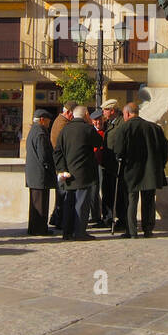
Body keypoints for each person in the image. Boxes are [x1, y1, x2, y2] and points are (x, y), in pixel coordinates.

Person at [108, 102, 168, 238]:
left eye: (124, 114)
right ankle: (148, 229)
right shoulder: (154, 128)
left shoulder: (124, 129)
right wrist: (160, 165)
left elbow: (118, 150)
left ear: (128, 113)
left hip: (131, 170)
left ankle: (131, 231)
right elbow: (165, 149)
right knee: (149, 200)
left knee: (131, 200)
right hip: (150, 171)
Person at [54, 105, 103, 241]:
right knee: (82, 204)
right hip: (83, 174)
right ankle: (80, 232)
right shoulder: (87, 129)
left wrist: (62, 169)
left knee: (69, 204)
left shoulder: (65, 130)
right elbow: (98, 142)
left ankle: (67, 232)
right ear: (86, 114)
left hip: (68, 174)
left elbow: (58, 152)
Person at [24, 108, 56, 236]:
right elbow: (44, 155)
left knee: (35, 204)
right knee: (41, 204)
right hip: (40, 174)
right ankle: (39, 229)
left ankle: (34, 228)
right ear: (42, 120)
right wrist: (50, 167)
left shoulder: (33, 131)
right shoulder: (40, 133)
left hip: (33, 174)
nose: (49, 124)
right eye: (48, 121)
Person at [47, 101, 77, 229]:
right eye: (73, 114)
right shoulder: (63, 124)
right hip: (62, 165)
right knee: (63, 194)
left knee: (61, 194)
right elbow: (63, 146)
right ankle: (60, 220)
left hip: (60, 164)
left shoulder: (60, 121)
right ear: (69, 112)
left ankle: (58, 219)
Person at [99, 98, 126, 233]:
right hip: (108, 165)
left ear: (112, 111)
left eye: (105, 110)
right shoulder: (109, 123)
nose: (103, 112)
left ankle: (121, 220)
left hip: (116, 166)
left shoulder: (121, 124)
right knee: (107, 193)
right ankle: (108, 218)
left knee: (119, 195)